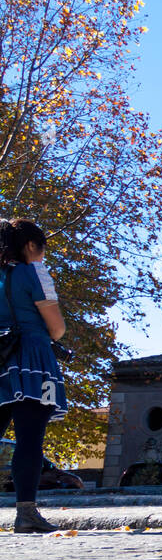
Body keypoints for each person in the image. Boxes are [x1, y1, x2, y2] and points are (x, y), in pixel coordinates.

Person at [0, 219, 69, 534]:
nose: (42, 256)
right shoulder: (34, 273)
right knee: (30, 439)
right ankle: (26, 514)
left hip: (1, 362)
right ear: (30, 246)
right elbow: (56, 328)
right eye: (42, 249)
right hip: (35, 362)